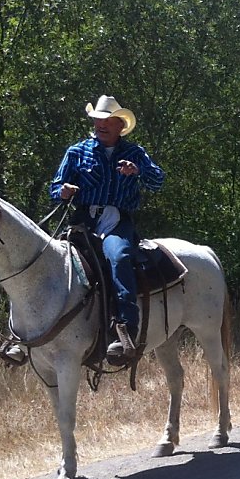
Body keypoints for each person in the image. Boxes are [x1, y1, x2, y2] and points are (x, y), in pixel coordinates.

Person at [52, 95, 165, 364]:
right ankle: (26, 333)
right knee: (48, 261)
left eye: (106, 121)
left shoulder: (135, 153)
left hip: (117, 222)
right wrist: (64, 191)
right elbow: (55, 187)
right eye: (97, 120)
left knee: (119, 257)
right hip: (82, 222)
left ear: (119, 125)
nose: (100, 125)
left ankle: (126, 330)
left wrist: (138, 171)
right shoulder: (76, 152)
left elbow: (158, 181)